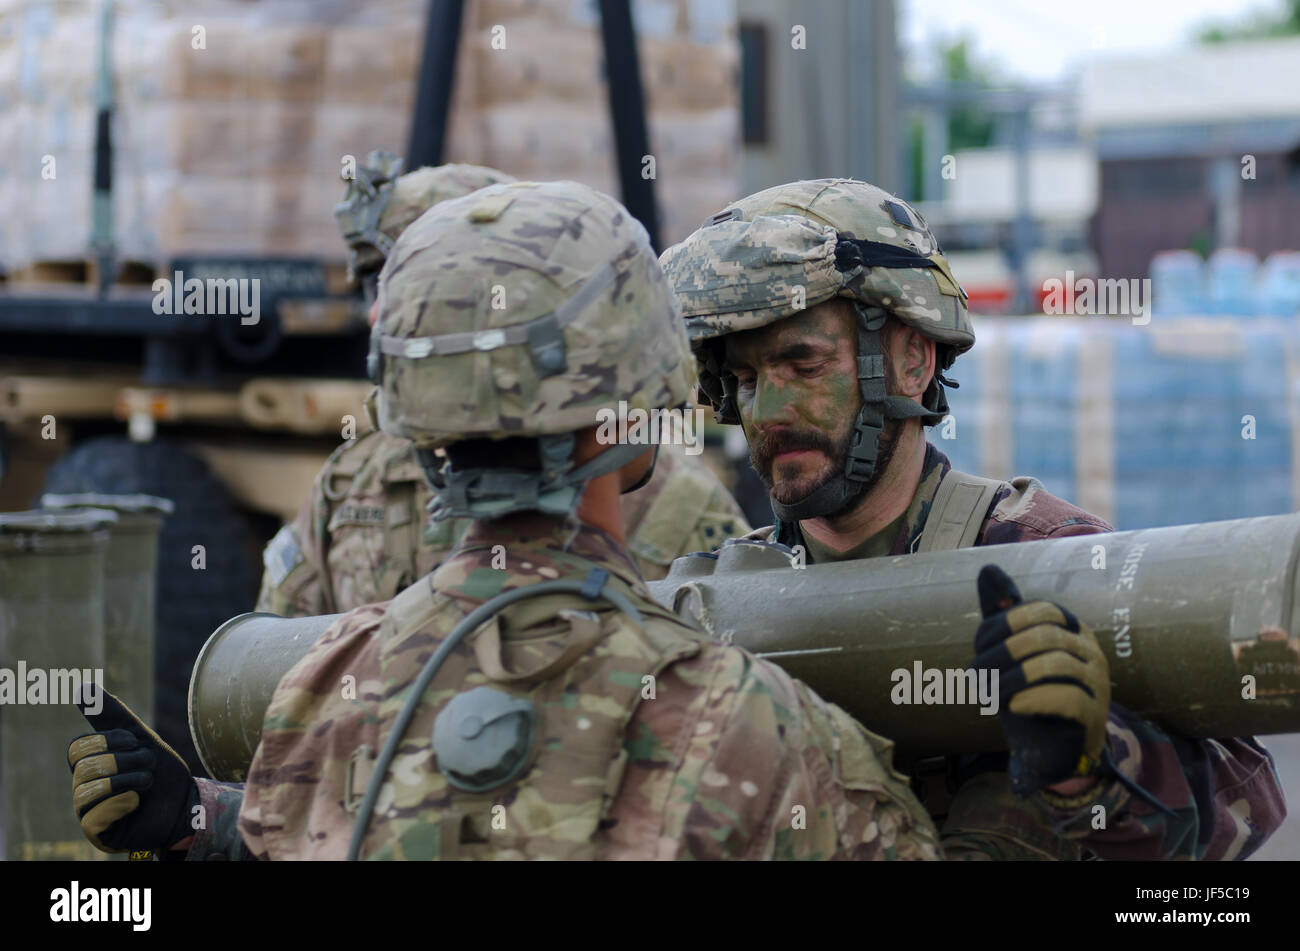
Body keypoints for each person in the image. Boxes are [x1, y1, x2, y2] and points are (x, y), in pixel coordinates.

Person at [69, 180, 942, 861]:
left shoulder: (318, 693)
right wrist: (1056, 786)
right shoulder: (754, 728)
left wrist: (193, 817)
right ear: (631, 404)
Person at [659, 178, 1286, 860]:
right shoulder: (723, 596)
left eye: (803, 363)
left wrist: (1093, 764)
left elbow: (1246, 802)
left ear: (911, 360)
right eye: (747, 379)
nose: (769, 409)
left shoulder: (1042, 557)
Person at [257, 154, 749, 618]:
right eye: (379, 286)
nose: (382, 314)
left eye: (434, 293)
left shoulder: (670, 498)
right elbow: (276, 659)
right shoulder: (350, 486)